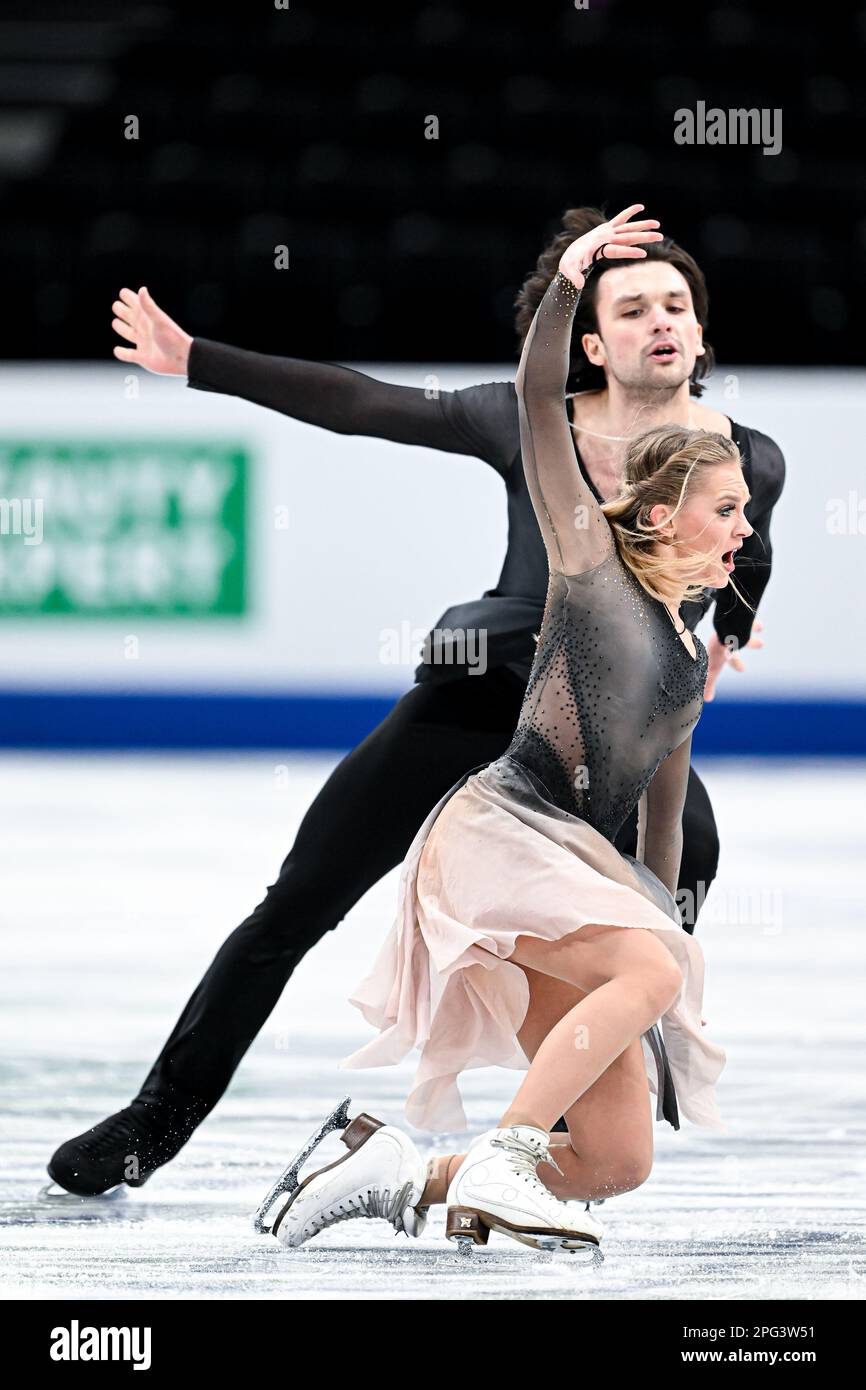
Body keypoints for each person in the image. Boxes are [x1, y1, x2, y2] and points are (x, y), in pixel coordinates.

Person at [46, 205, 782, 1198]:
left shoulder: (748, 459)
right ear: (592, 341)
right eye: (632, 306)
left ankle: (591, 1088)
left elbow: (750, 556)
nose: (659, 319)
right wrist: (197, 359)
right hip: (479, 697)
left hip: (599, 739)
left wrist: (729, 629)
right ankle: (156, 1116)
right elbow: (363, 403)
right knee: (297, 901)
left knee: (683, 853)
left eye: (675, 304)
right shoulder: (531, 423)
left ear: (697, 332)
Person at [265, 206, 744, 1255]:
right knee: (651, 970)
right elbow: (536, 398)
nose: (744, 531)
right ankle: (506, 1154)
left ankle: (386, 1167)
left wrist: (652, 948)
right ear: (659, 515)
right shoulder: (586, 572)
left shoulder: (684, 664)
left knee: (616, 1159)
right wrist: (568, 280)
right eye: (726, 512)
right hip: (492, 840)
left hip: (570, 871)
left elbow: (657, 841)